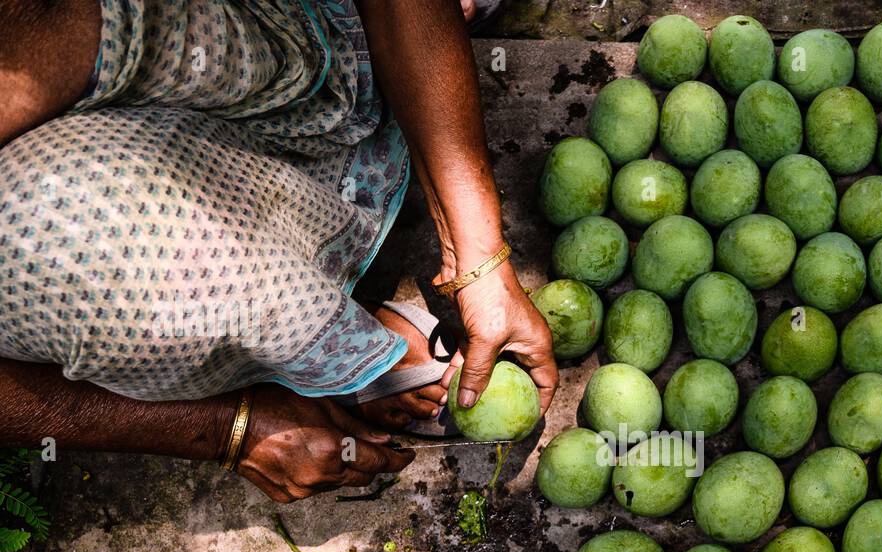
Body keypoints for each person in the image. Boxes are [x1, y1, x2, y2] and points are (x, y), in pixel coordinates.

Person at [0, 0, 556, 502]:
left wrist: (479, 256)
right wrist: (227, 429)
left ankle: (354, 58)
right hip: (70, 208)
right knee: (70, 238)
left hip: (230, 61)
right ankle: (318, 340)